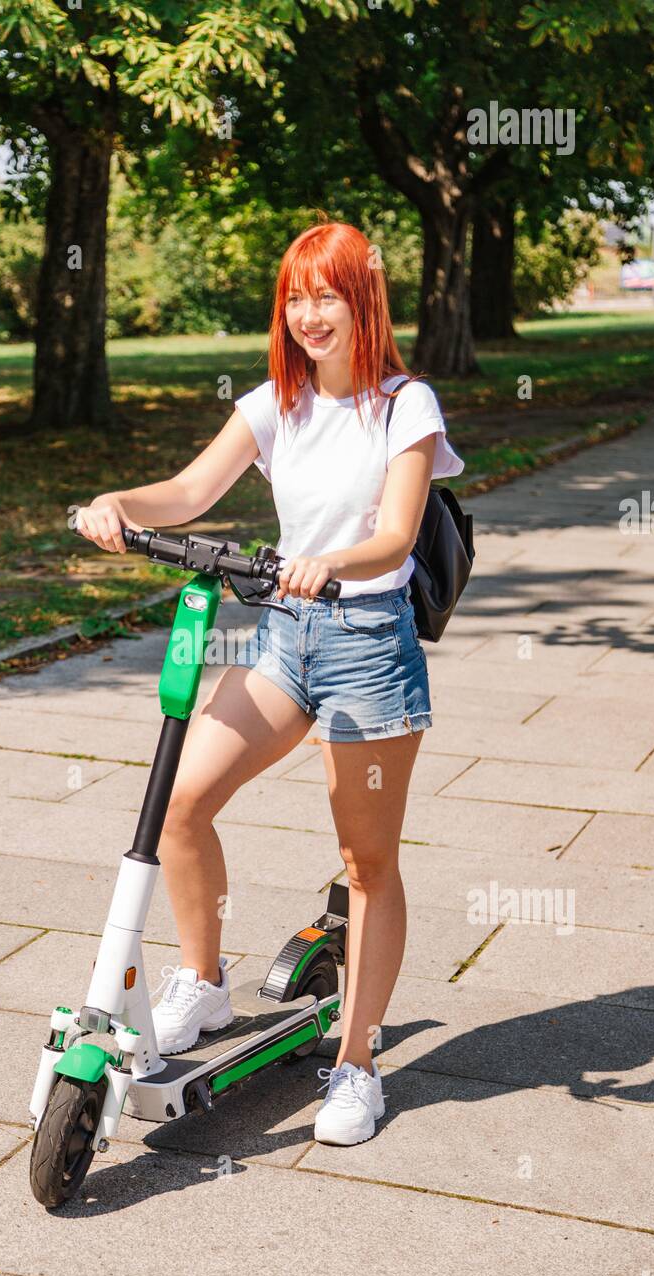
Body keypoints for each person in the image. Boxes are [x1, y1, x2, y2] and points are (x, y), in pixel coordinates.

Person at [73, 220, 464, 1146]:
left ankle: (358, 1065)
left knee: (367, 865)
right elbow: (189, 490)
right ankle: (203, 987)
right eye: (294, 297)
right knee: (179, 805)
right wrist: (120, 508)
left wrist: (329, 562)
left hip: (370, 641)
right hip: (286, 637)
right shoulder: (274, 403)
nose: (308, 314)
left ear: (362, 299)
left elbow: (399, 536)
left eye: (326, 294)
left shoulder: (406, 404)